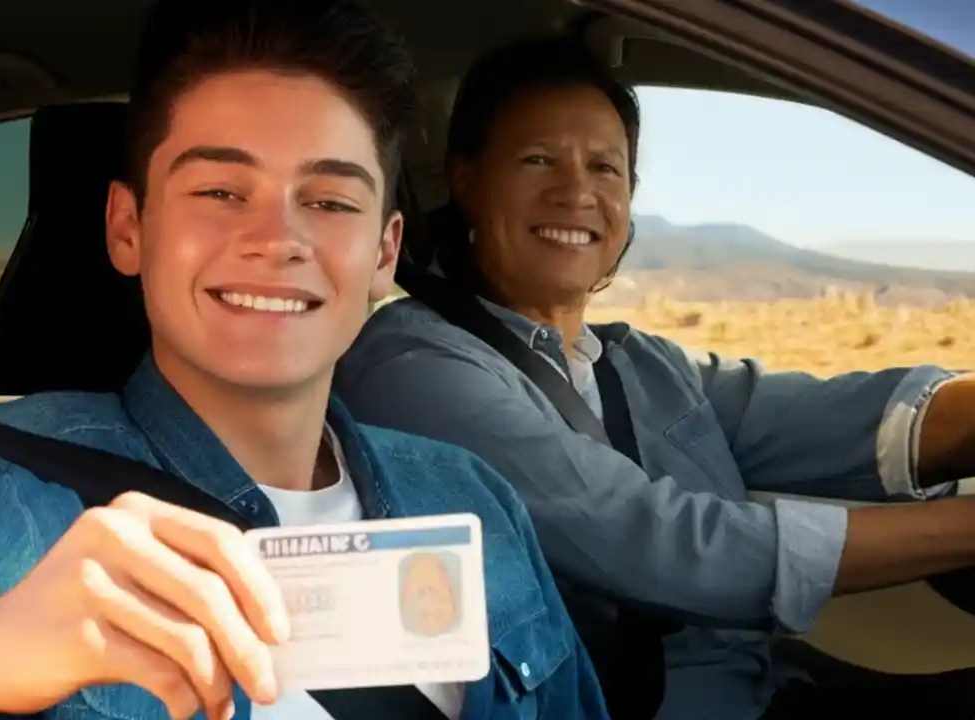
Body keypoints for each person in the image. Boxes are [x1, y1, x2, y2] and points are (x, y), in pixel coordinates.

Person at [0, 5, 610, 720]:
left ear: (383, 252)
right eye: (220, 189)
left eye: (329, 201)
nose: (277, 238)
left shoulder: (470, 496)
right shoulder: (18, 487)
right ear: (129, 228)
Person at [335, 36, 975, 720]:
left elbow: (843, 418)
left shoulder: (639, 363)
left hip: (764, 690)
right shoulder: (413, 368)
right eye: (537, 160)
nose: (576, 191)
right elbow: (661, 546)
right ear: (465, 179)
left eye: (606, 168)